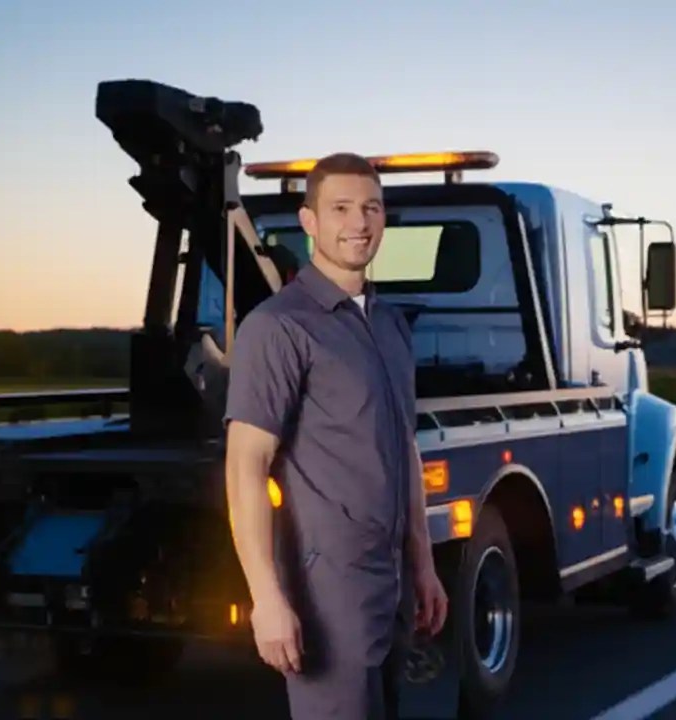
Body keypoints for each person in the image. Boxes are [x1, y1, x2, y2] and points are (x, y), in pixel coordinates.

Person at [224, 152, 448, 719]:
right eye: (341, 208)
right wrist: (266, 599)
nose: (359, 223)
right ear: (309, 221)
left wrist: (423, 565)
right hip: (328, 587)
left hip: (392, 580)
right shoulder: (278, 326)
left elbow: (405, 448)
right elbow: (245, 466)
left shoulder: (390, 325)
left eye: (371, 208)